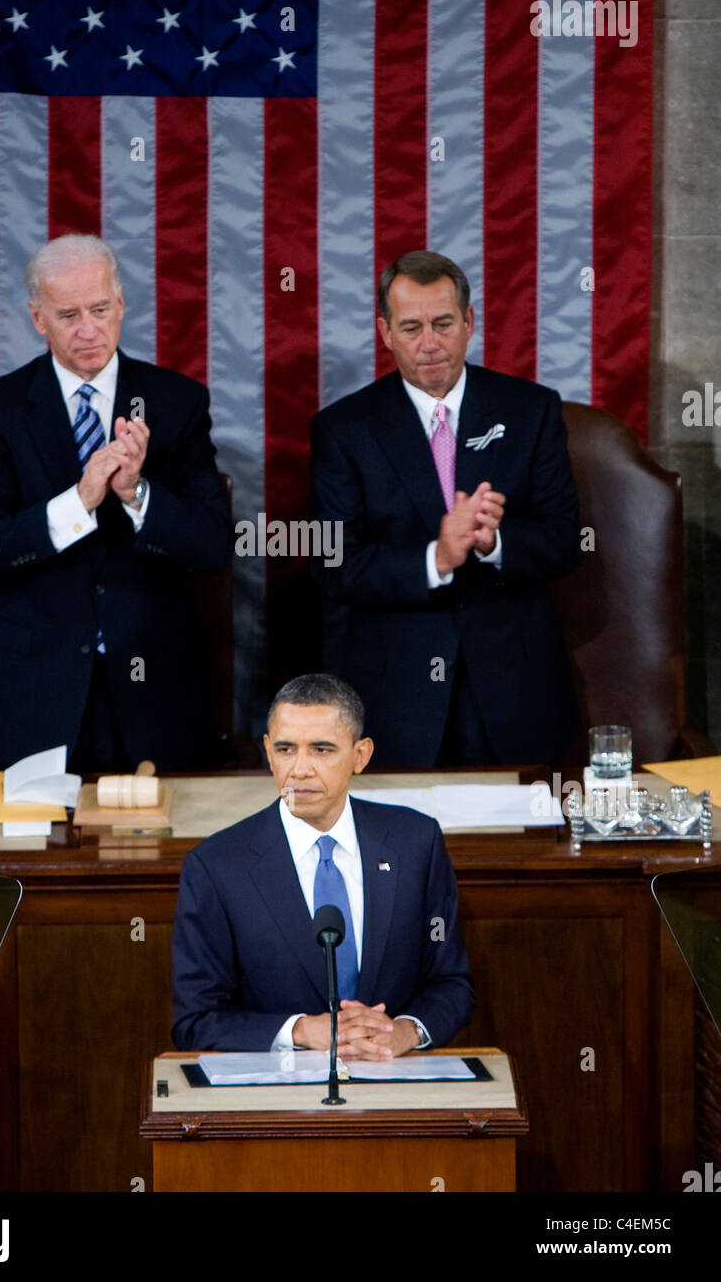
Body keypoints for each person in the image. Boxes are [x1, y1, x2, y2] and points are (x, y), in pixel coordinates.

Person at [0, 233, 231, 772]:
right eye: (68, 315)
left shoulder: (177, 403)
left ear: (121, 304)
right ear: (38, 318)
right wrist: (78, 502)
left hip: (156, 687)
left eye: (100, 310)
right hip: (32, 695)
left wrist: (137, 494)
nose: (88, 330)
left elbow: (213, 545)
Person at [310, 251, 582, 768]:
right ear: (386, 332)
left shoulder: (531, 410)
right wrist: (437, 556)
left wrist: (494, 541)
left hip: (515, 688)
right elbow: (336, 565)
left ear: (469, 322)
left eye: (443, 324)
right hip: (398, 693)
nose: (429, 343)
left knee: (520, 848)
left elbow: (567, 541)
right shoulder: (343, 430)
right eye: (411, 327)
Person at [172, 674, 474, 1056]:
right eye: (285, 749)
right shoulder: (216, 867)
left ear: (360, 755)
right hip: (277, 1101)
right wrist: (299, 1031)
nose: (300, 770)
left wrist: (406, 1032)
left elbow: (451, 984)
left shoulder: (416, 843)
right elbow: (195, 1020)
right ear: (267, 751)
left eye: (321, 750)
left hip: (393, 1082)